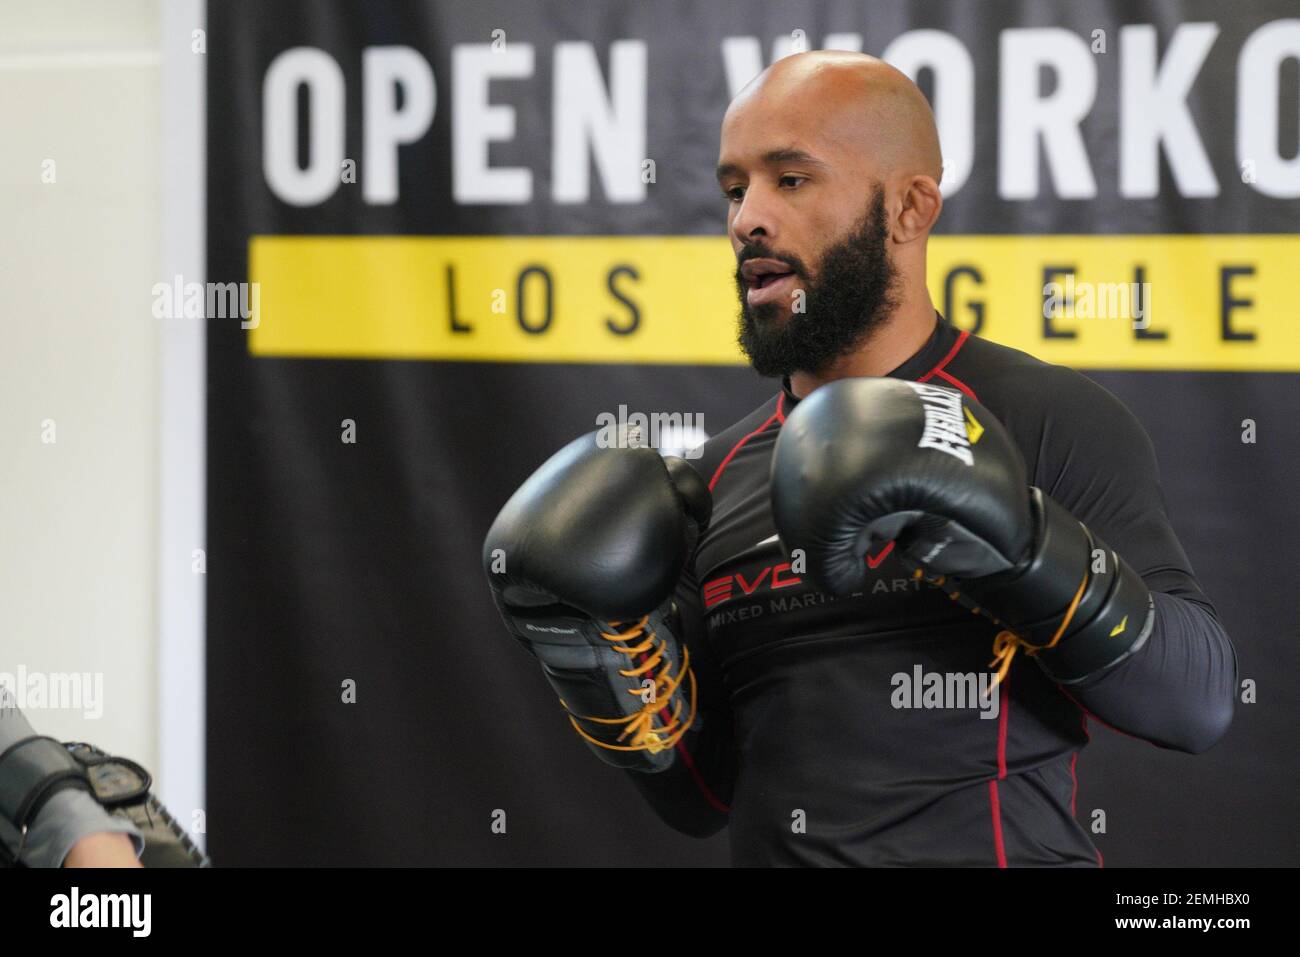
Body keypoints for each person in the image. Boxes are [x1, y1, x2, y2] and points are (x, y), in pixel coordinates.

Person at [484, 51, 1237, 866]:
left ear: (910, 208)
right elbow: (706, 797)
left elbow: (1194, 704)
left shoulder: (1042, 418)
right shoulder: (711, 480)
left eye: (791, 179)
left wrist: (1021, 544)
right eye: (735, 189)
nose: (746, 220)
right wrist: (600, 653)